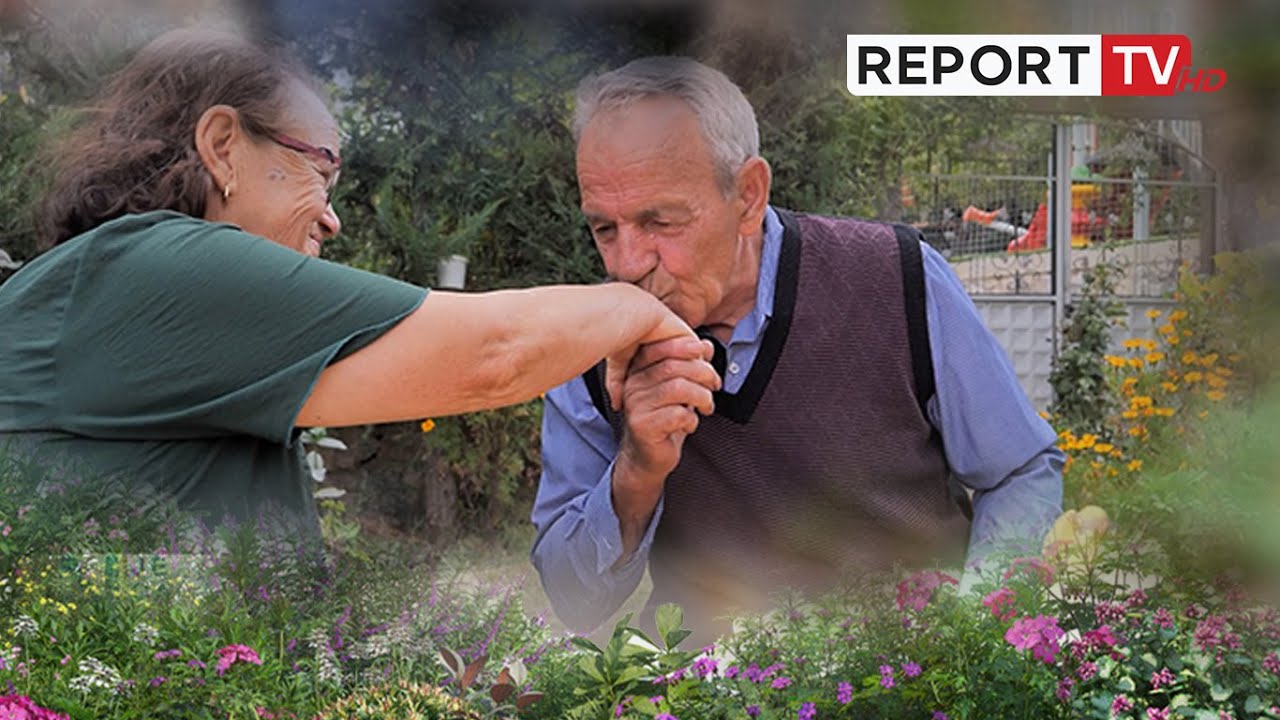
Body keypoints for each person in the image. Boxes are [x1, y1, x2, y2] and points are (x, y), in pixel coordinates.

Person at [0, 30, 717, 539]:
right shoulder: (159, 271)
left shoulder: (119, 292)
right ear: (222, 148)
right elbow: (492, 356)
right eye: (320, 169)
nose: (334, 219)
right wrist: (633, 303)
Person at [530, 56, 1064, 639]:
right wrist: (634, 472)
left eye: (660, 221)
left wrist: (977, 626)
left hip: (908, 669)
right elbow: (573, 601)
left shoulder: (893, 277)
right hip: (706, 687)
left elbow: (1017, 472)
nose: (627, 263)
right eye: (605, 228)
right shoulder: (592, 351)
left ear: (748, 195)